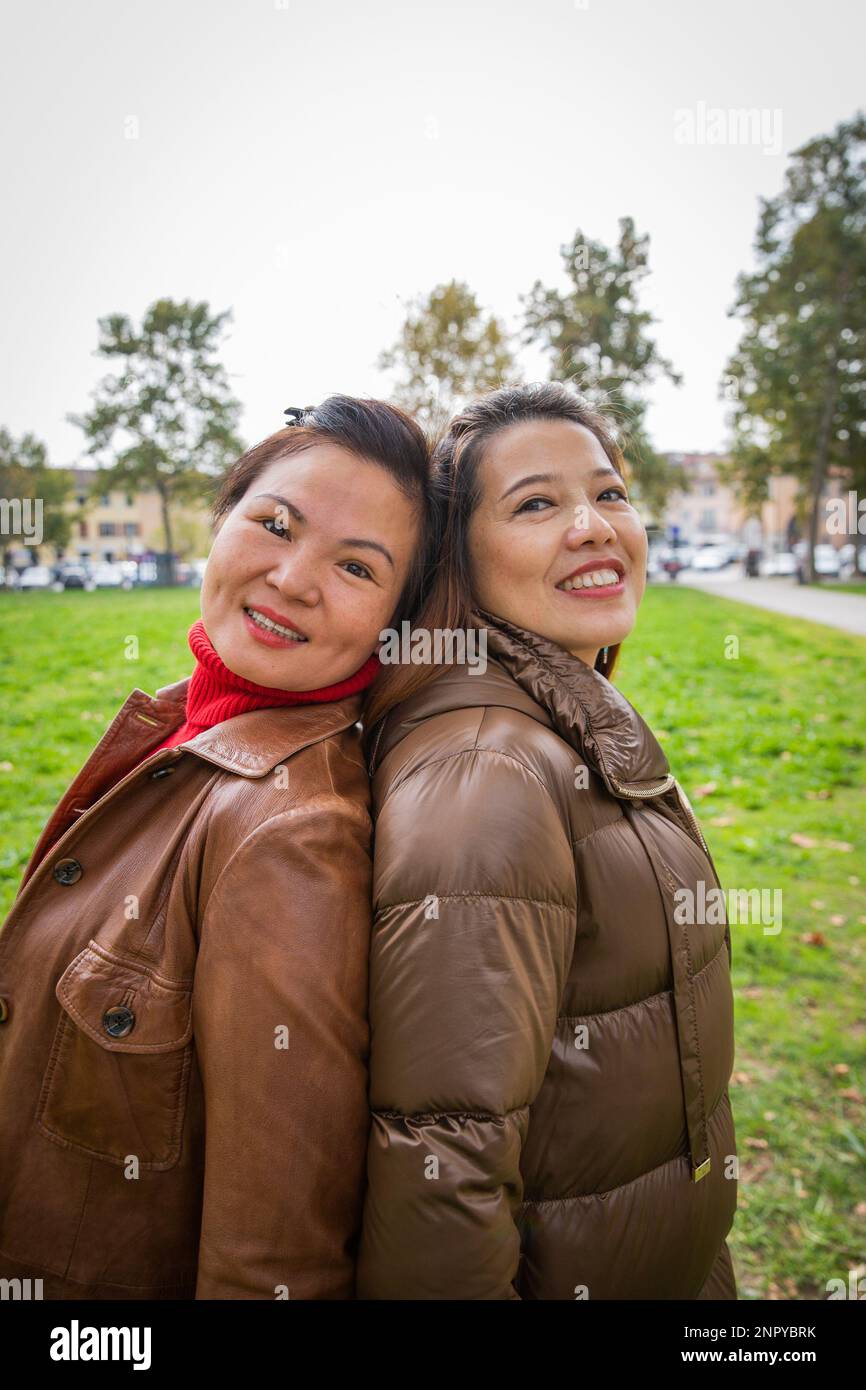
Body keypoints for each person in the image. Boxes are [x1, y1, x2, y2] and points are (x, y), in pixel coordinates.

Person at [0, 396, 430, 1299]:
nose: (293, 578)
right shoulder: (178, 722)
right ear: (222, 519)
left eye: (356, 566)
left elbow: (274, 1256)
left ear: (395, 620)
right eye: (275, 524)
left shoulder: (292, 835)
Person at [357, 383, 738, 1300]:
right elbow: (443, 1159)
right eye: (537, 503)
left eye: (609, 493)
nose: (595, 526)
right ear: (459, 556)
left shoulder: (553, 714)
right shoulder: (490, 774)